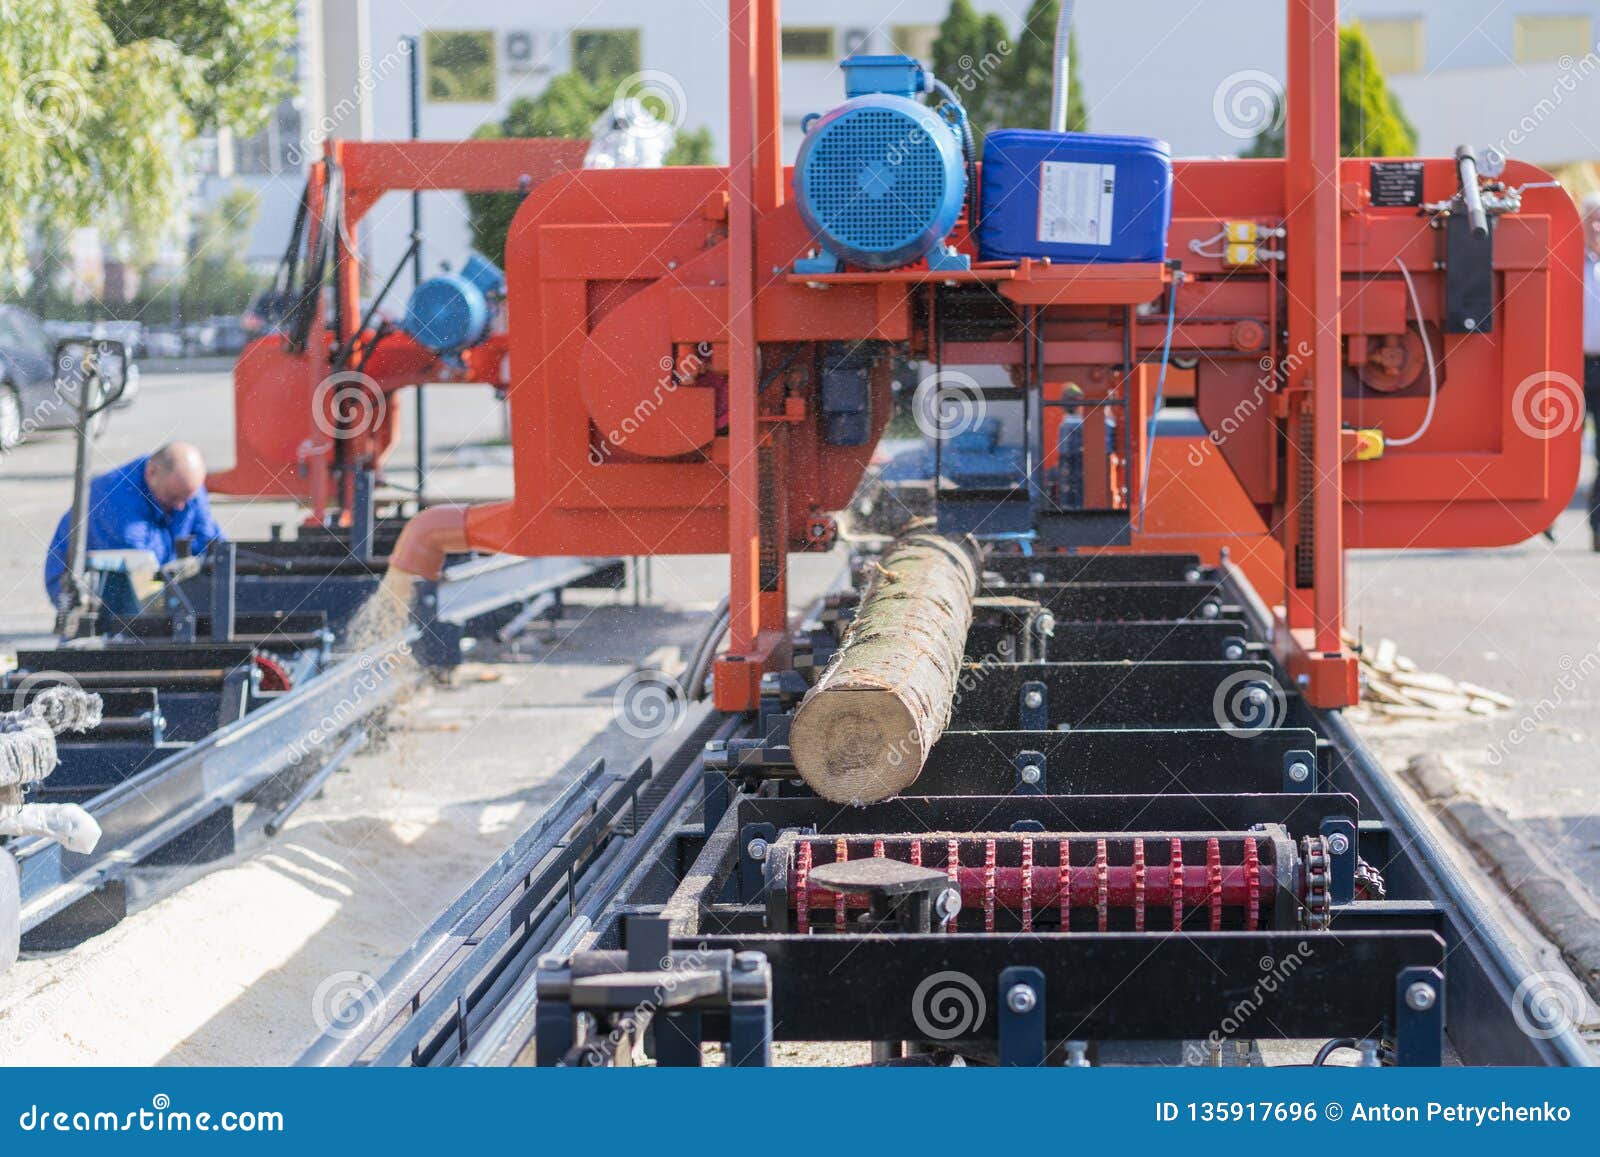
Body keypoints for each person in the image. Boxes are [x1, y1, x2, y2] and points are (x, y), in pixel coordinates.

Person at [43, 442, 224, 607]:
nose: (181, 506)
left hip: (149, 573)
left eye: (188, 497)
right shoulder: (116, 503)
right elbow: (150, 568)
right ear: (151, 473)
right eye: (174, 498)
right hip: (80, 587)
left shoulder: (182, 484)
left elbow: (209, 538)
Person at [1584, 193, 1600, 551]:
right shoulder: (1568, 261)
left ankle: (1598, 526)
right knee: (1556, 443)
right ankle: (1546, 513)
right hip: (1570, 366)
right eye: (1592, 219)